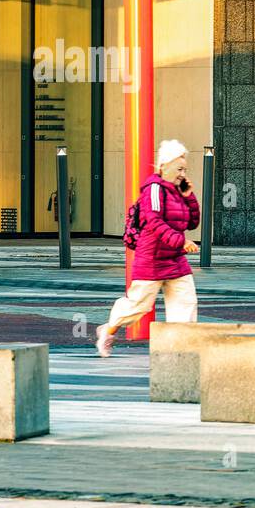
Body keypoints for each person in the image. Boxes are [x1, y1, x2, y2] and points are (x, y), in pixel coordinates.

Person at [96, 140, 201, 357]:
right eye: (179, 168)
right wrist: (180, 241)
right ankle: (108, 330)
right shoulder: (154, 189)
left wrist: (189, 196)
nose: (183, 173)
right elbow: (154, 221)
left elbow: (192, 222)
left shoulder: (176, 191)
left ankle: (179, 351)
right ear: (164, 165)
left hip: (175, 259)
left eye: (185, 169)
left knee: (186, 303)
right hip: (152, 259)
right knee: (138, 305)